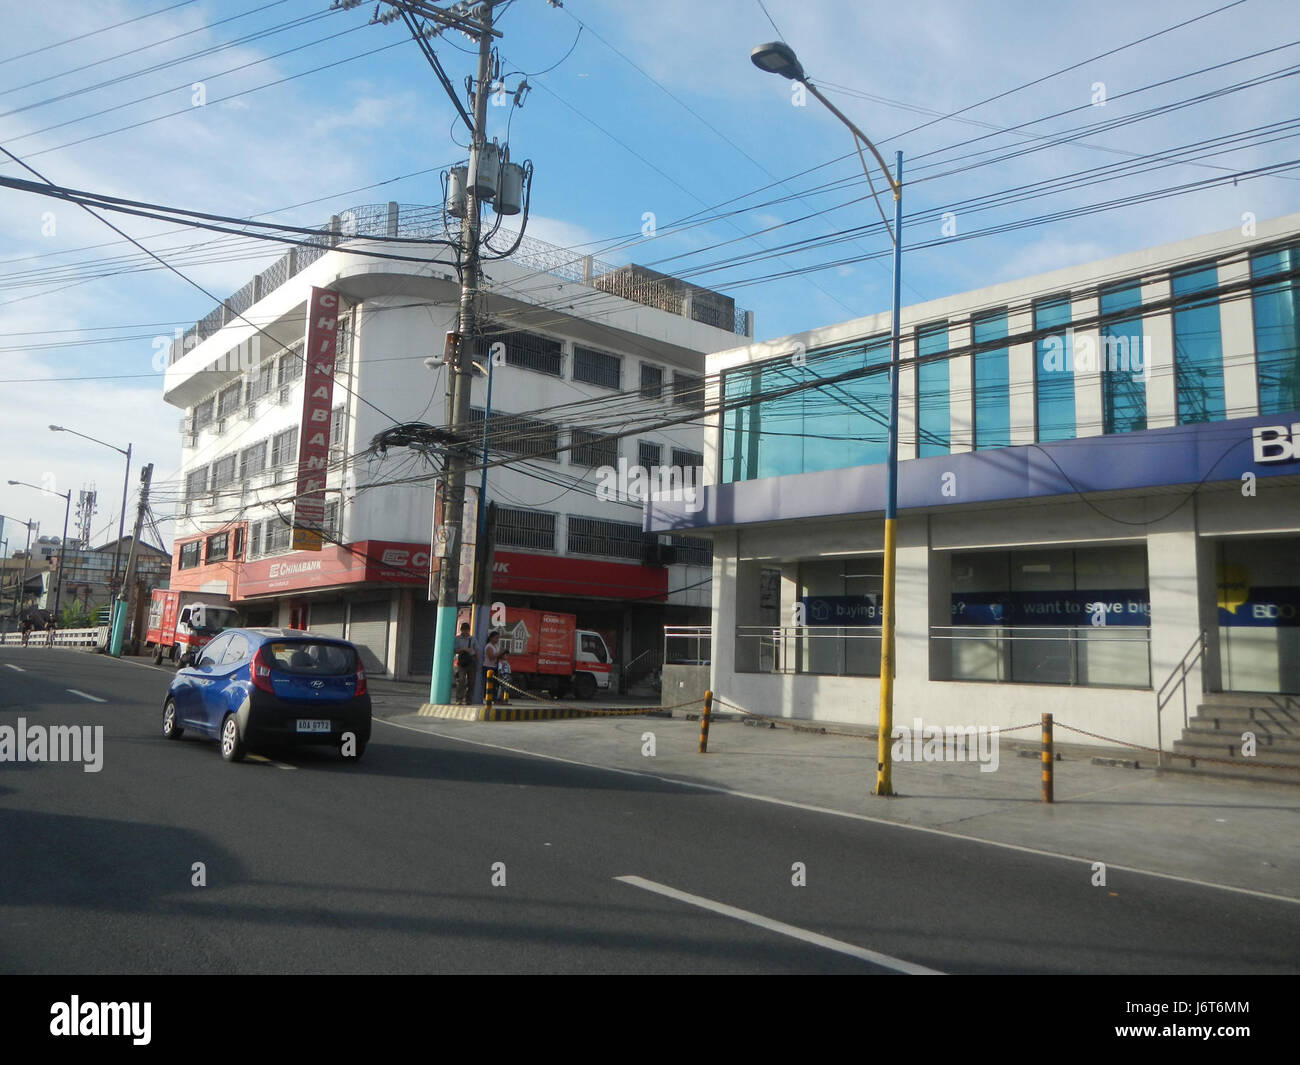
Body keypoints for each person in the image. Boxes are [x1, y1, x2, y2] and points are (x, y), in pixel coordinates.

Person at [452, 623, 475, 704]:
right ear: (461, 630)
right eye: (464, 630)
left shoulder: (472, 639)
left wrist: (478, 661)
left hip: (471, 661)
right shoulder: (457, 639)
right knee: (461, 680)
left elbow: (476, 650)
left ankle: (468, 699)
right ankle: (459, 699)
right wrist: (463, 649)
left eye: (467, 630)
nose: (465, 632)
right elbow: (454, 650)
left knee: (471, 681)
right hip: (461, 661)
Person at [482, 631, 501, 700]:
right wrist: (499, 653)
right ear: (491, 638)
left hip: (495, 666)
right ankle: (487, 697)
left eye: (498, 638)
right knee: (488, 683)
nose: (497, 640)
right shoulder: (488, 646)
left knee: (495, 683)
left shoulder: (496, 646)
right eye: (496, 638)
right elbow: (491, 657)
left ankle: (494, 697)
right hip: (488, 667)